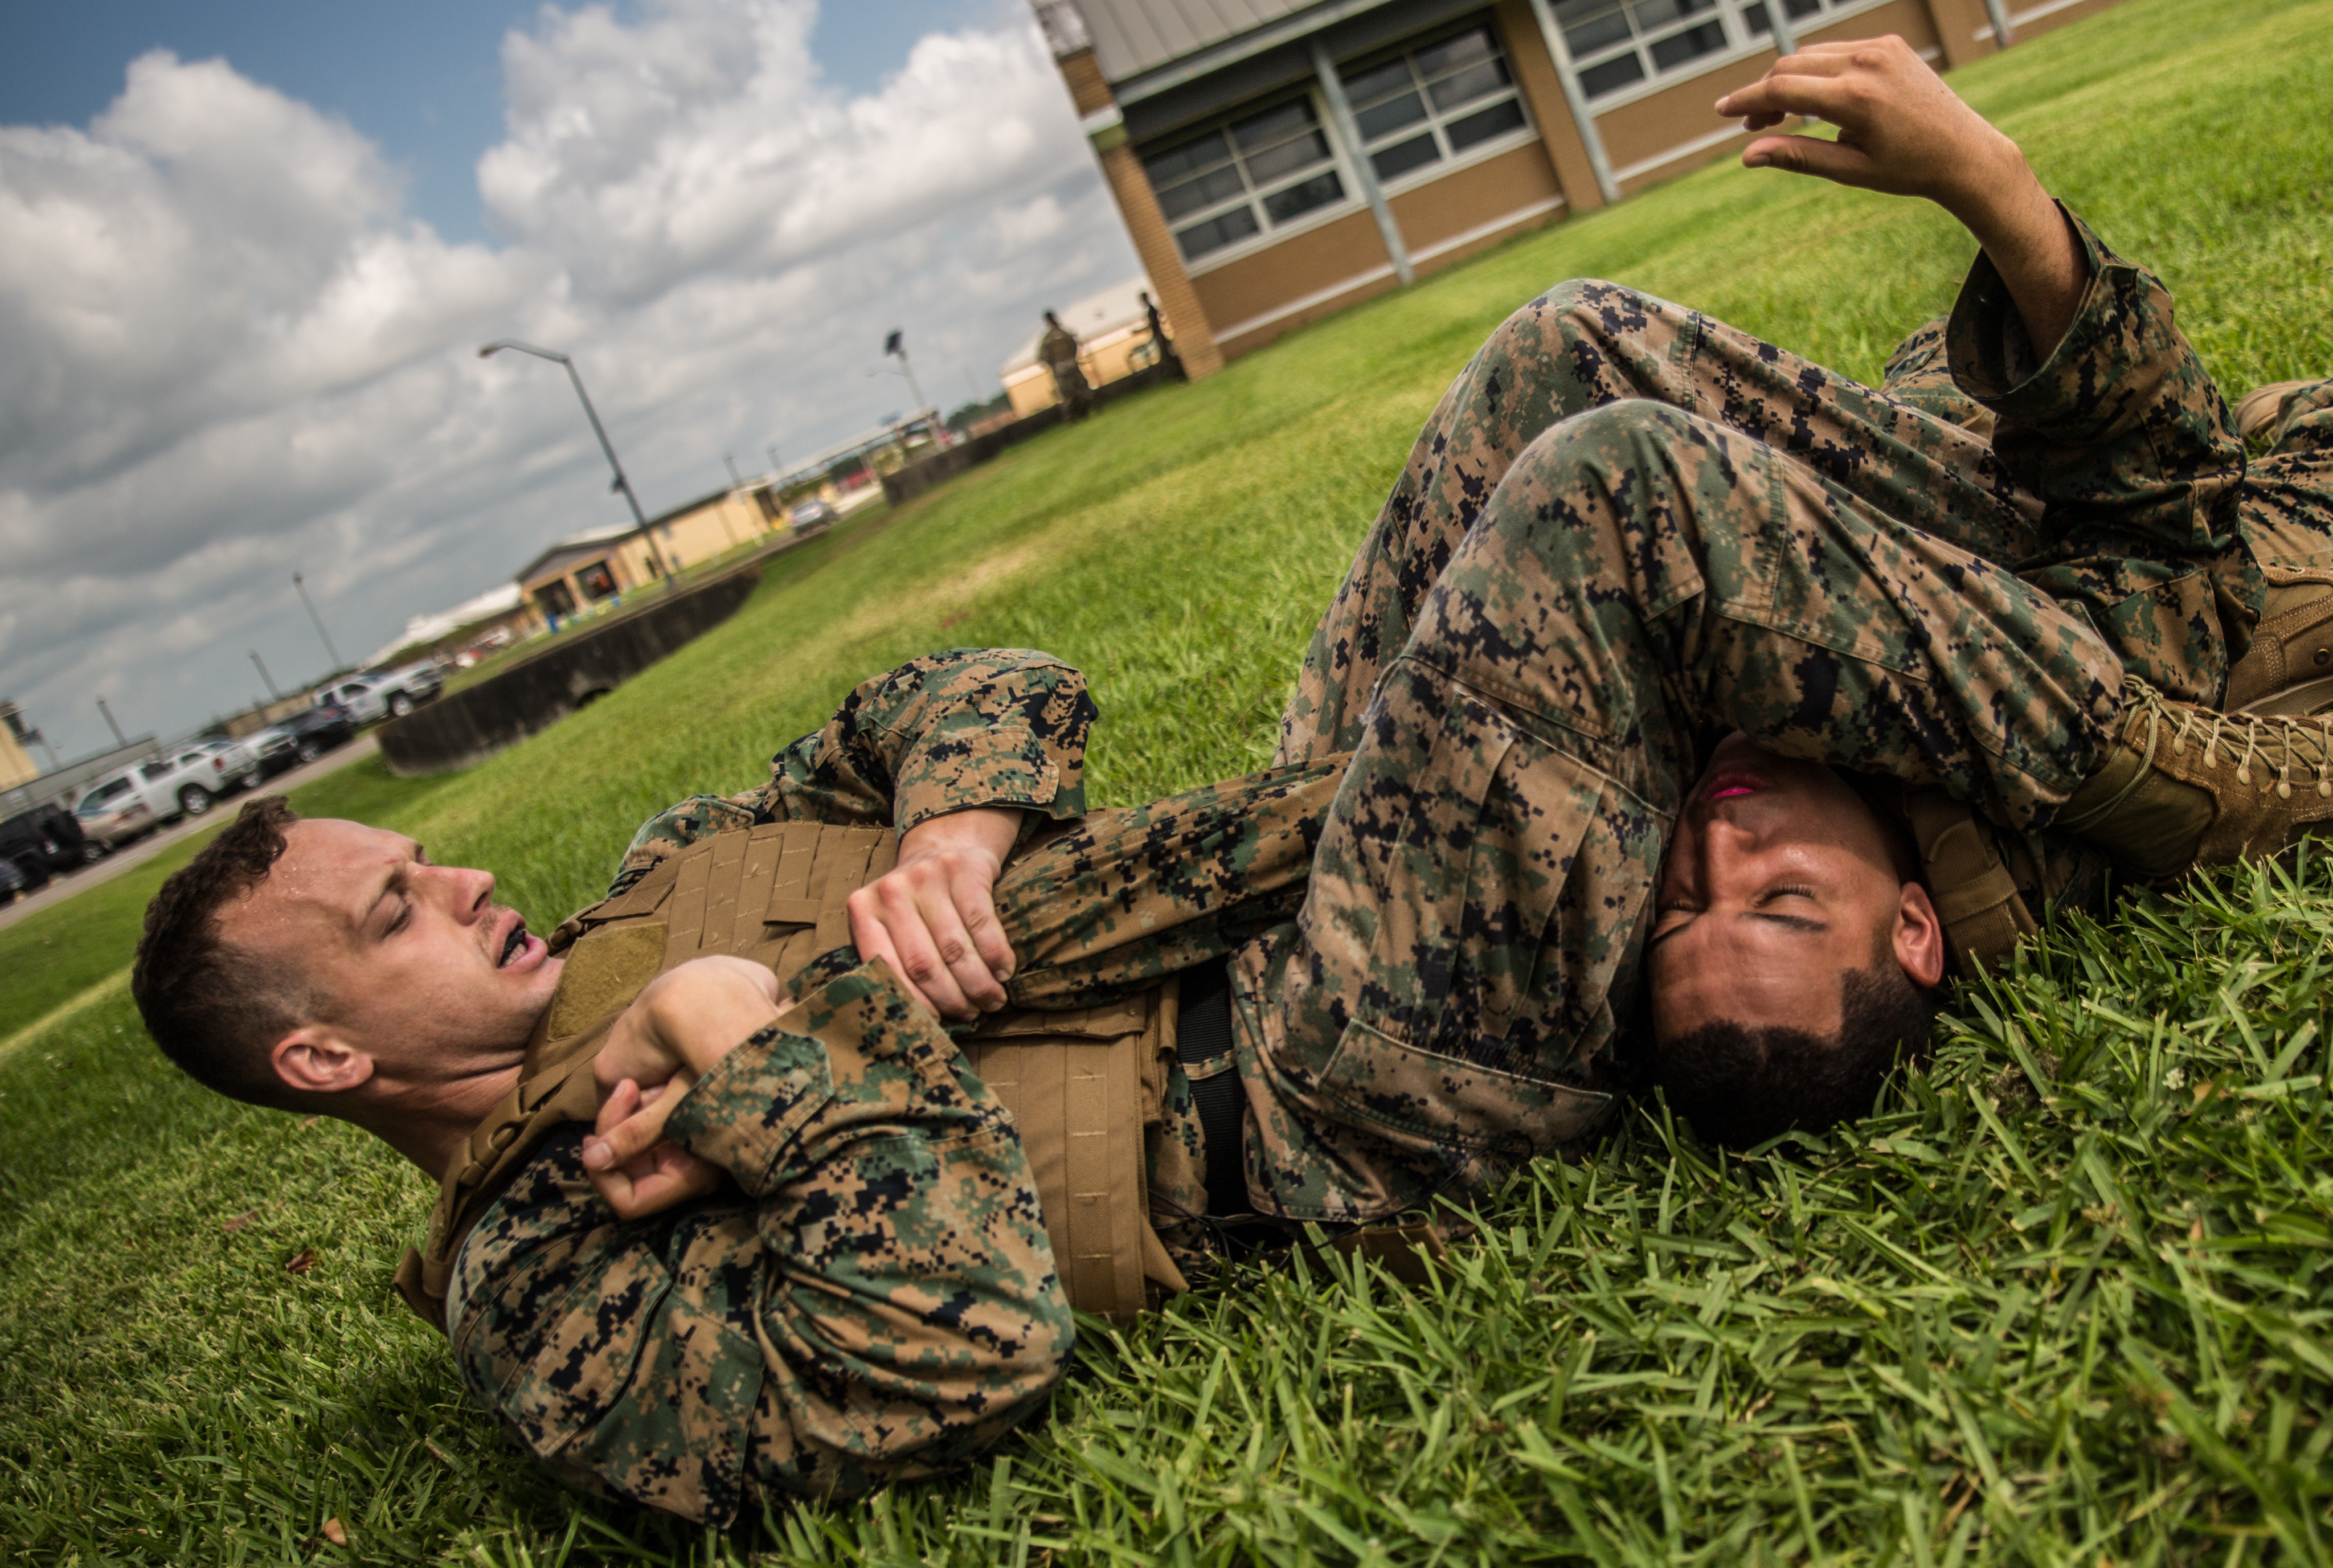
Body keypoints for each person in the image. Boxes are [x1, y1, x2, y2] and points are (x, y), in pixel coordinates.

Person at [130, 38, 2329, 1523]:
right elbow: (953, 1352)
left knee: (1560, 340)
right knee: (1618, 491)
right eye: (395, 909)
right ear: (324, 1057)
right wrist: (746, 1043)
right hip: (1311, 1097)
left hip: (1289, 851)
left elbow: (969, 681)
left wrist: (951, 815)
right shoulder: (541, 1285)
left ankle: (2141, 510)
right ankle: (2193, 749)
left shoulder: (657, 865)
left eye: (418, 854)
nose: (460, 880)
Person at [1038, 310, 1092, 421]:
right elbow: (1074, 347)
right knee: (1079, 392)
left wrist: (1055, 365)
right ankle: (1079, 415)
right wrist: (1070, 360)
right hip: (1070, 367)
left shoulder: (1048, 339)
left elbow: (1043, 357)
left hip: (1061, 370)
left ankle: (1073, 417)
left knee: (1069, 396)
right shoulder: (1064, 334)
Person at [1138, 289, 1184, 382]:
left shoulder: (1151, 310)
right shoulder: (1151, 309)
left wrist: (1138, 331)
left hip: (1160, 337)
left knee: (1168, 358)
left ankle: (1180, 376)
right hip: (1158, 336)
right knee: (1168, 357)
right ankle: (1178, 376)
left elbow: (1152, 324)